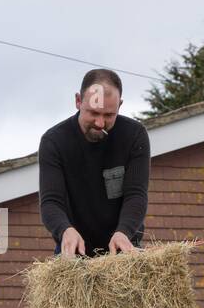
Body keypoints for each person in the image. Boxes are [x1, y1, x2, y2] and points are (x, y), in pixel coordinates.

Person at [39, 68, 150, 257]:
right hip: (74, 250)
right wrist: (65, 230)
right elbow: (51, 202)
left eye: (108, 115)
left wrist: (124, 232)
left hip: (123, 245)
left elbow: (136, 194)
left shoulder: (134, 136)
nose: (100, 123)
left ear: (120, 105)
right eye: (93, 113)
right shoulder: (54, 141)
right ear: (78, 101)